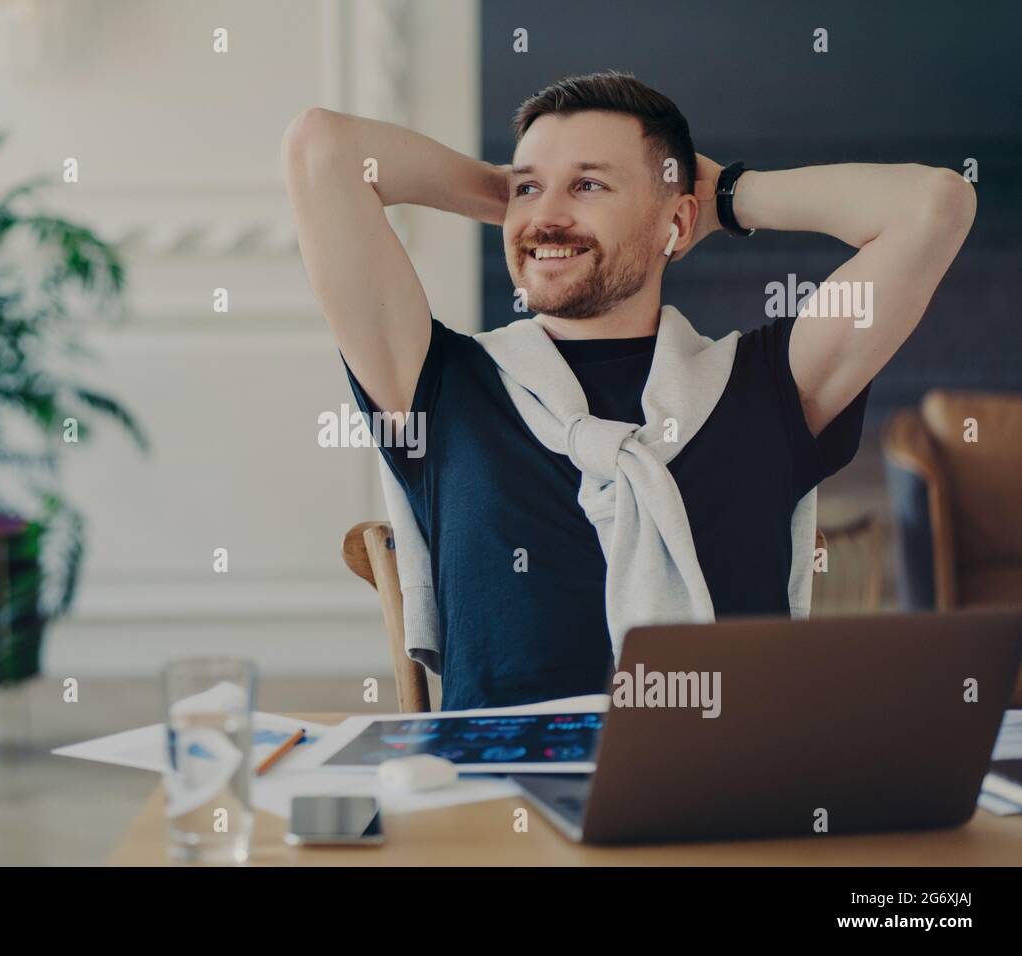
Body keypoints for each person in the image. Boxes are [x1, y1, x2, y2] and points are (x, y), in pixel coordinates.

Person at [281, 71, 976, 709]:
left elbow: (935, 205)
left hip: (728, 802)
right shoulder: (439, 384)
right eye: (529, 188)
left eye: (590, 185)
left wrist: (727, 198)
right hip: (502, 806)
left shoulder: (771, 383)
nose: (546, 215)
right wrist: (519, 194)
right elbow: (324, 150)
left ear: (675, 221)